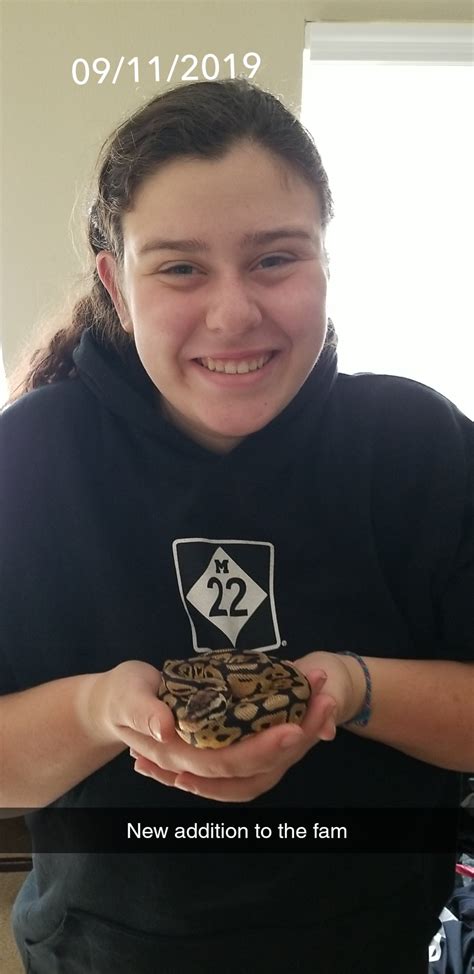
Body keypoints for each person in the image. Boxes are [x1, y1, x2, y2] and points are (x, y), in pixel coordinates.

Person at [0, 77, 473, 974]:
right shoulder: (26, 461)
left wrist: (345, 688)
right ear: (116, 284)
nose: (233, 314)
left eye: (275, 259)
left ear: (326, 262)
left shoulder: (421, 446)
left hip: (369, 948)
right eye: (180, 267)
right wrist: (100, 708)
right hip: (98, 955)